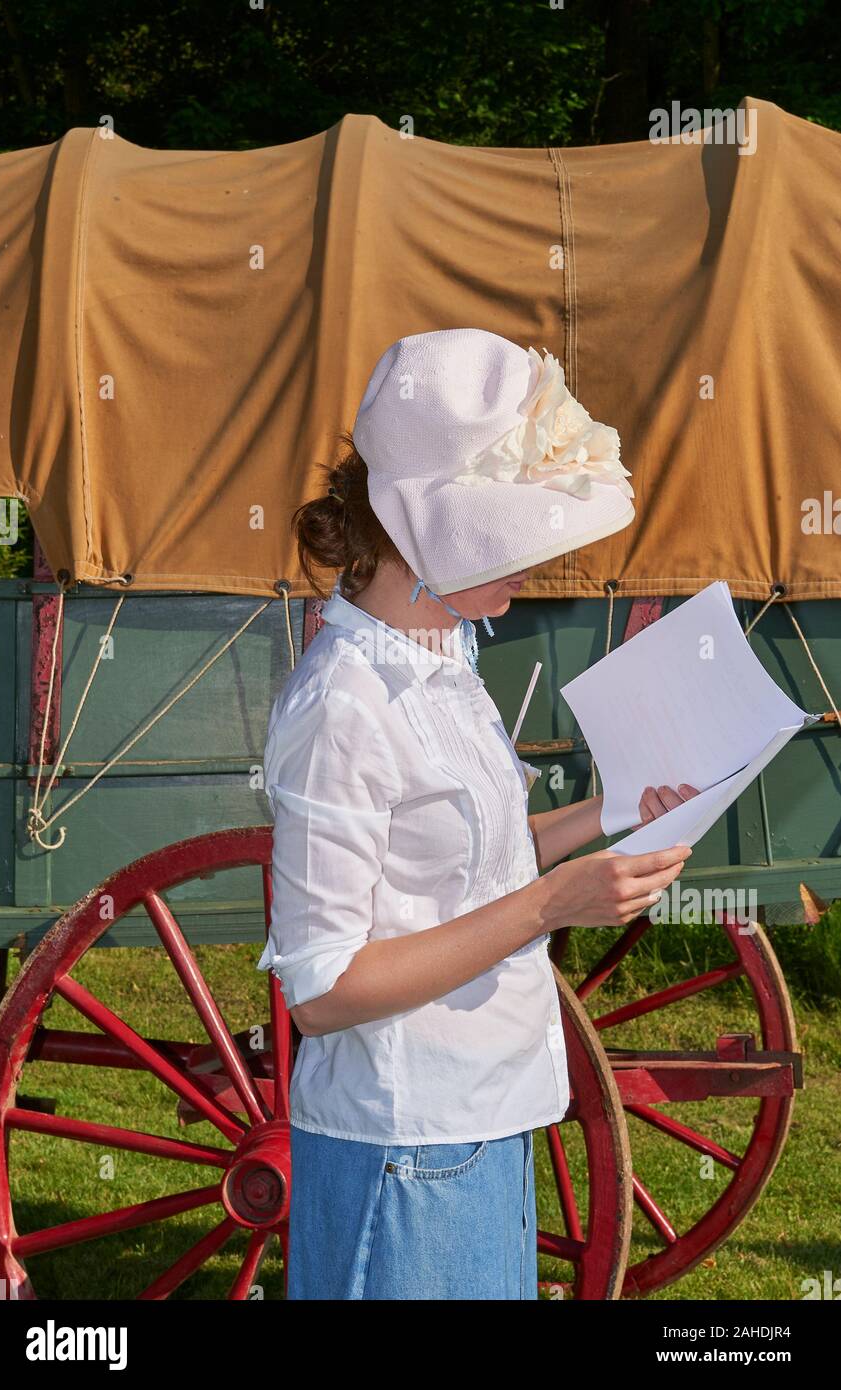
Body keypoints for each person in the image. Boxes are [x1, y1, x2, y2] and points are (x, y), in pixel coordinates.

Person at [257, 328, 697, 1300]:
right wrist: (549, 906)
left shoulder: (444, 660)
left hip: (487, 1117)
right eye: (506, 539)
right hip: (403, 1145)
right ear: (420, 537)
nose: (531, 567)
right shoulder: (343, 705)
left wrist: (607, 813)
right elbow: (323, 989)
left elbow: (461, 865)